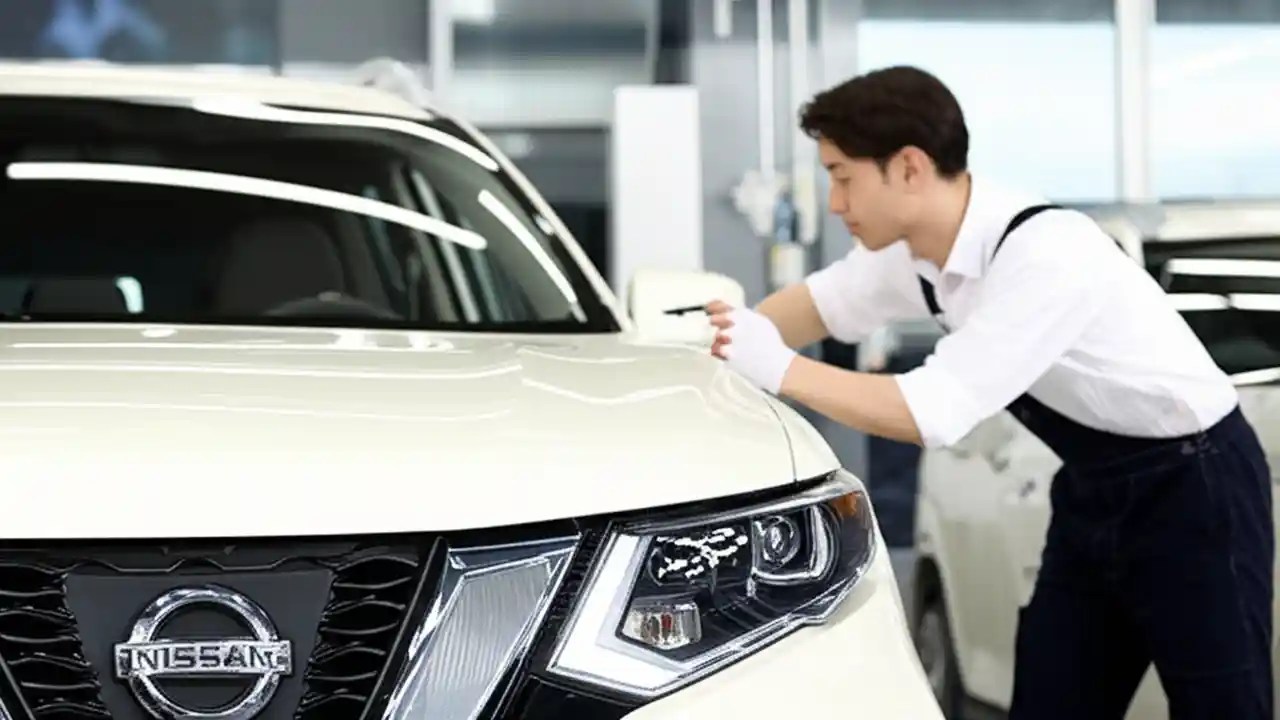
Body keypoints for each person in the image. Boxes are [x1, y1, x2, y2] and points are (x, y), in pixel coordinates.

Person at [706, 65, 1274, 720]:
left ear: (910, 168)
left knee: (1224, 706)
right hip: (1095, 490)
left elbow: (932, 411)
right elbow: (816, 306)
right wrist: (716, 352)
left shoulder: (1044, 254)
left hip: (1198, 489)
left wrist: (778, 369)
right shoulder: (914, 257)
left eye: (842, 177)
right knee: (1052, 697)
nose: (835, 203)